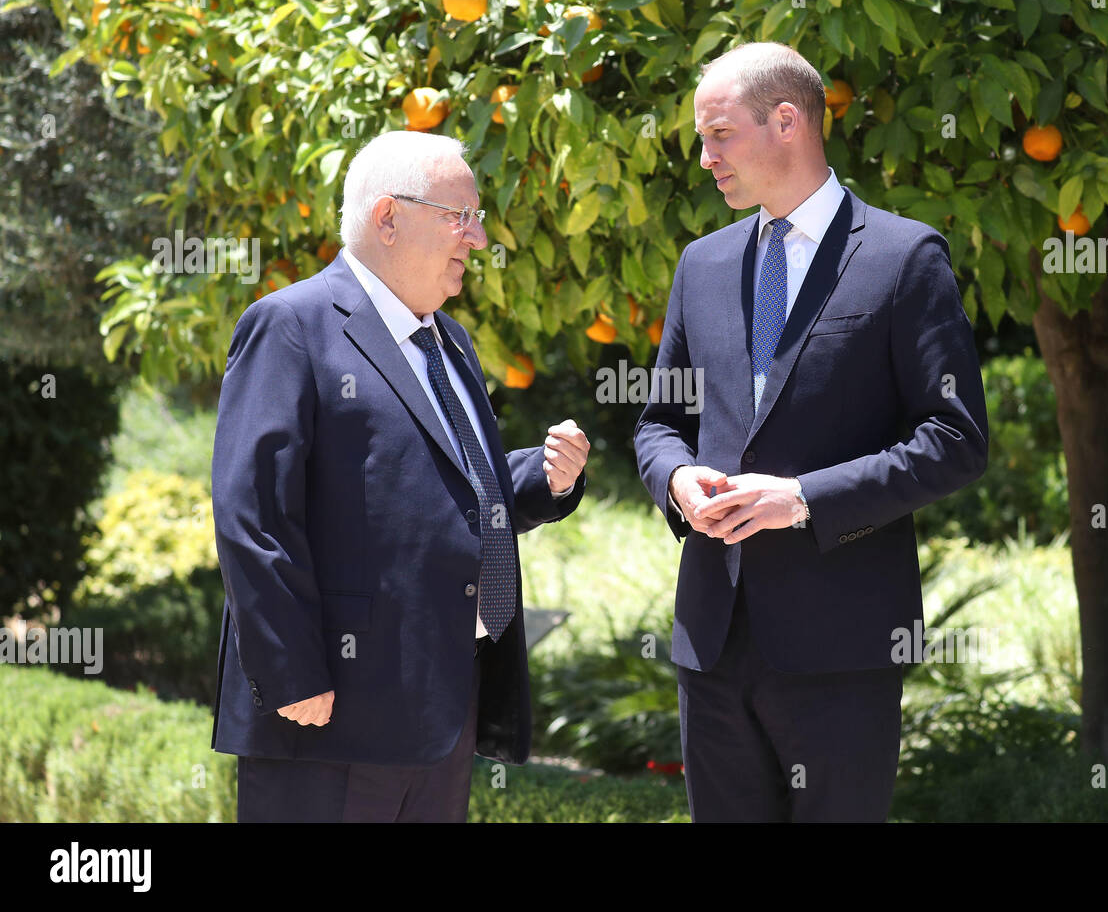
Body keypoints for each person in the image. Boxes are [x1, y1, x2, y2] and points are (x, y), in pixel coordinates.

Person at [634, 42, 989, 822]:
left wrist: (801, 499)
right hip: (712, 640)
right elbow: (661, 422)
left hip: (843, 647)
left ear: (787, 120)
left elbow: (956, 439)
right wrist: (677, 479)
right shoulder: (701, 264)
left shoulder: (904, 257)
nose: (705, 158)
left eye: (720, 134)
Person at [210, 131, 589, 822]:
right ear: (388, 217)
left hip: (440, 709)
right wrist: (290, 674)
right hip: (329, 716)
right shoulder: (290, 325)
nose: (476, 238)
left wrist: (543, 479)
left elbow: (443, 486)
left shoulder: (449, 339)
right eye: (460, 216)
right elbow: (252, 514)